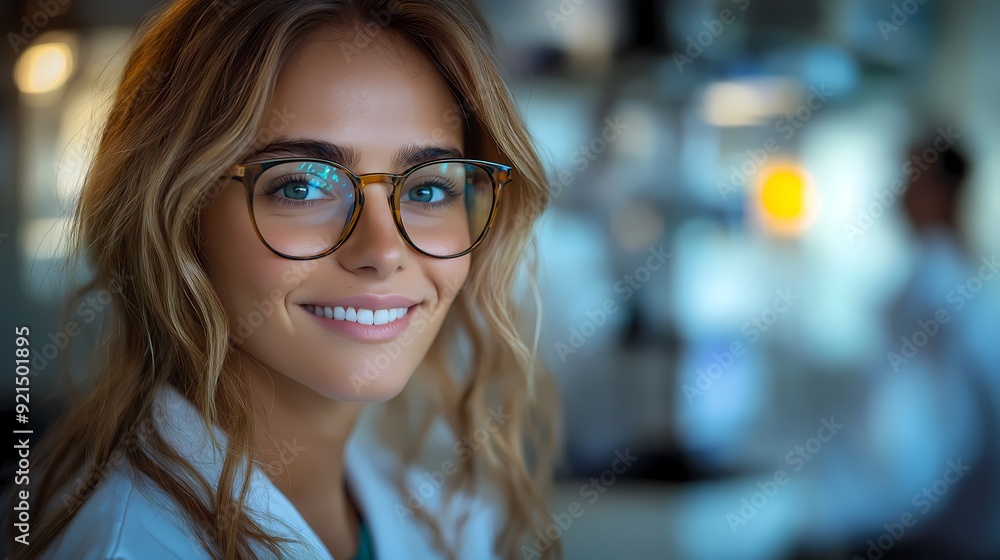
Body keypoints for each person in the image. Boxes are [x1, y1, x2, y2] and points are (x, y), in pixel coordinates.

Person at [3, 1, 560, 558]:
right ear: (177, 217)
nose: (384, 251)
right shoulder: (124, 547)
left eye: (428, 189)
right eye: (301, 187)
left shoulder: (449, 518)